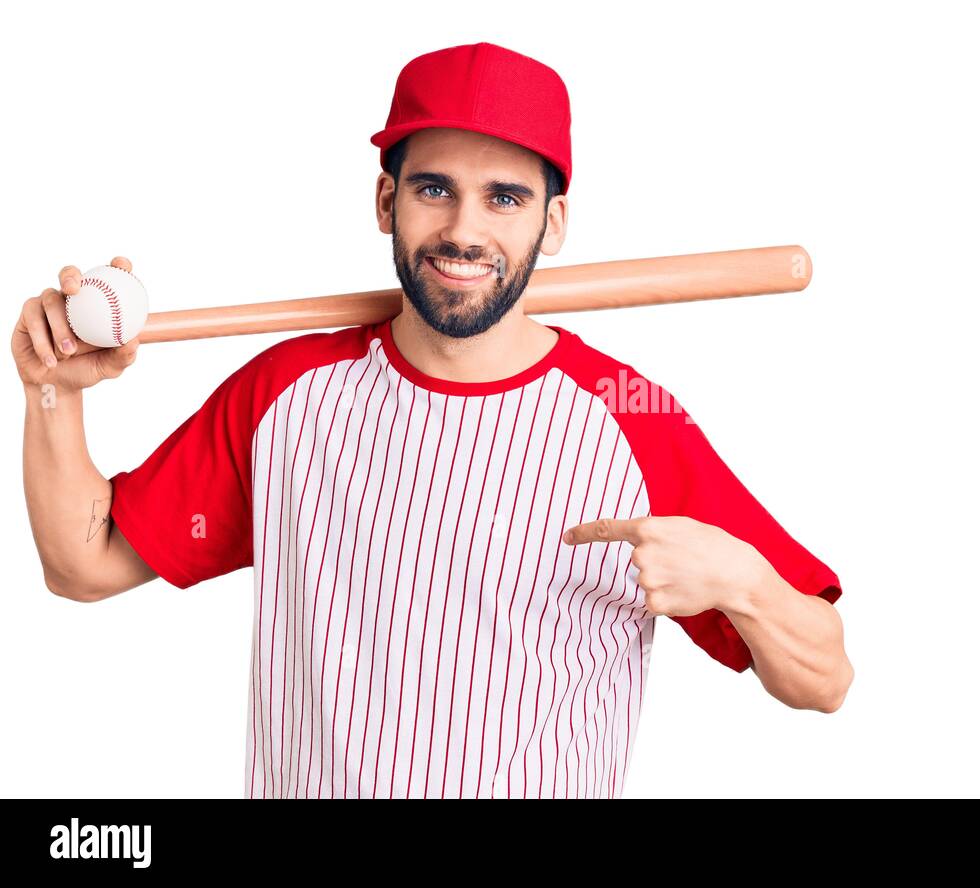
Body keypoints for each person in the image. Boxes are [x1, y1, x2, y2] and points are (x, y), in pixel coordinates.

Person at [17, 42, 851, 799]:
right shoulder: (286, 395)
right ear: (386, 201)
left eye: (505, 197)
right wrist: (55, 389)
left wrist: (743, 583)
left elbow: (826, 677)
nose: (464, 230)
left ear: (551, 224)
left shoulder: (629, 419)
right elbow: (84, 562)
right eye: (435, 189)